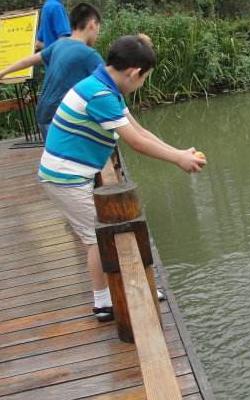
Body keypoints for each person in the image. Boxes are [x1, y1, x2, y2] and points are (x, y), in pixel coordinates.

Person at [38, 34, 207, 321]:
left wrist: (179, 152)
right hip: (64, 178)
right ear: (134, 72)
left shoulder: (105, 84)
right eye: (144, 79)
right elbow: (136, 143)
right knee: (97, 238)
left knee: (100, 235)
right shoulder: (101, 95)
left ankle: (118, 294)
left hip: (72, 175)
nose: (141, 85)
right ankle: (106, 302)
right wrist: (178, 159)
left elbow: (140, 131)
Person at [0, 3, 103, 140]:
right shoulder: (89, 55)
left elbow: (30, 58)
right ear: (92, 24)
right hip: (60, 117)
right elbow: (113, 84)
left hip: (43, 114)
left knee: (54, 157)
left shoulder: (58, 44)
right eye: (98, 30)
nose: (97, 35)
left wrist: (3, 72)